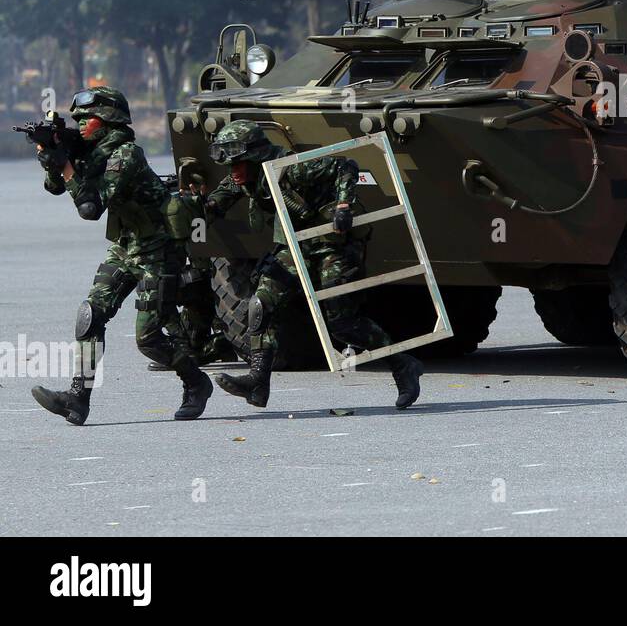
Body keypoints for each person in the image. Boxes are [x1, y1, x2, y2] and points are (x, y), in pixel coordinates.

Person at [201, 121, 422, 409]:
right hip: (295, 246)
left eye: (239, 163)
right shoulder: (244, 178)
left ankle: (402, 364)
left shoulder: (293, 168)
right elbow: (214, 205)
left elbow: (347, 166)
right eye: (231, 165)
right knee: (261, 305)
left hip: (331, 243)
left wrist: (344, 205)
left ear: (256, 157)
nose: (234, 171)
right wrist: (193, 206)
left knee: (341, 322)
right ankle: (258, 380)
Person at [30, 87, 212, 425]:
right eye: (77, 119)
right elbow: (55, 187)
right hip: (127, 245)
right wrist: (52, 159)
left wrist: (66, 164)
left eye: (88, 118)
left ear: (109, 120)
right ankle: (77, 399)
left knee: (149, 339)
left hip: (159, 249)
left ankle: (196, 383)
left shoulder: (125, 155)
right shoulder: (91, 152)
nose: (81, 124)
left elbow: (90, 207)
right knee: (90, 316)